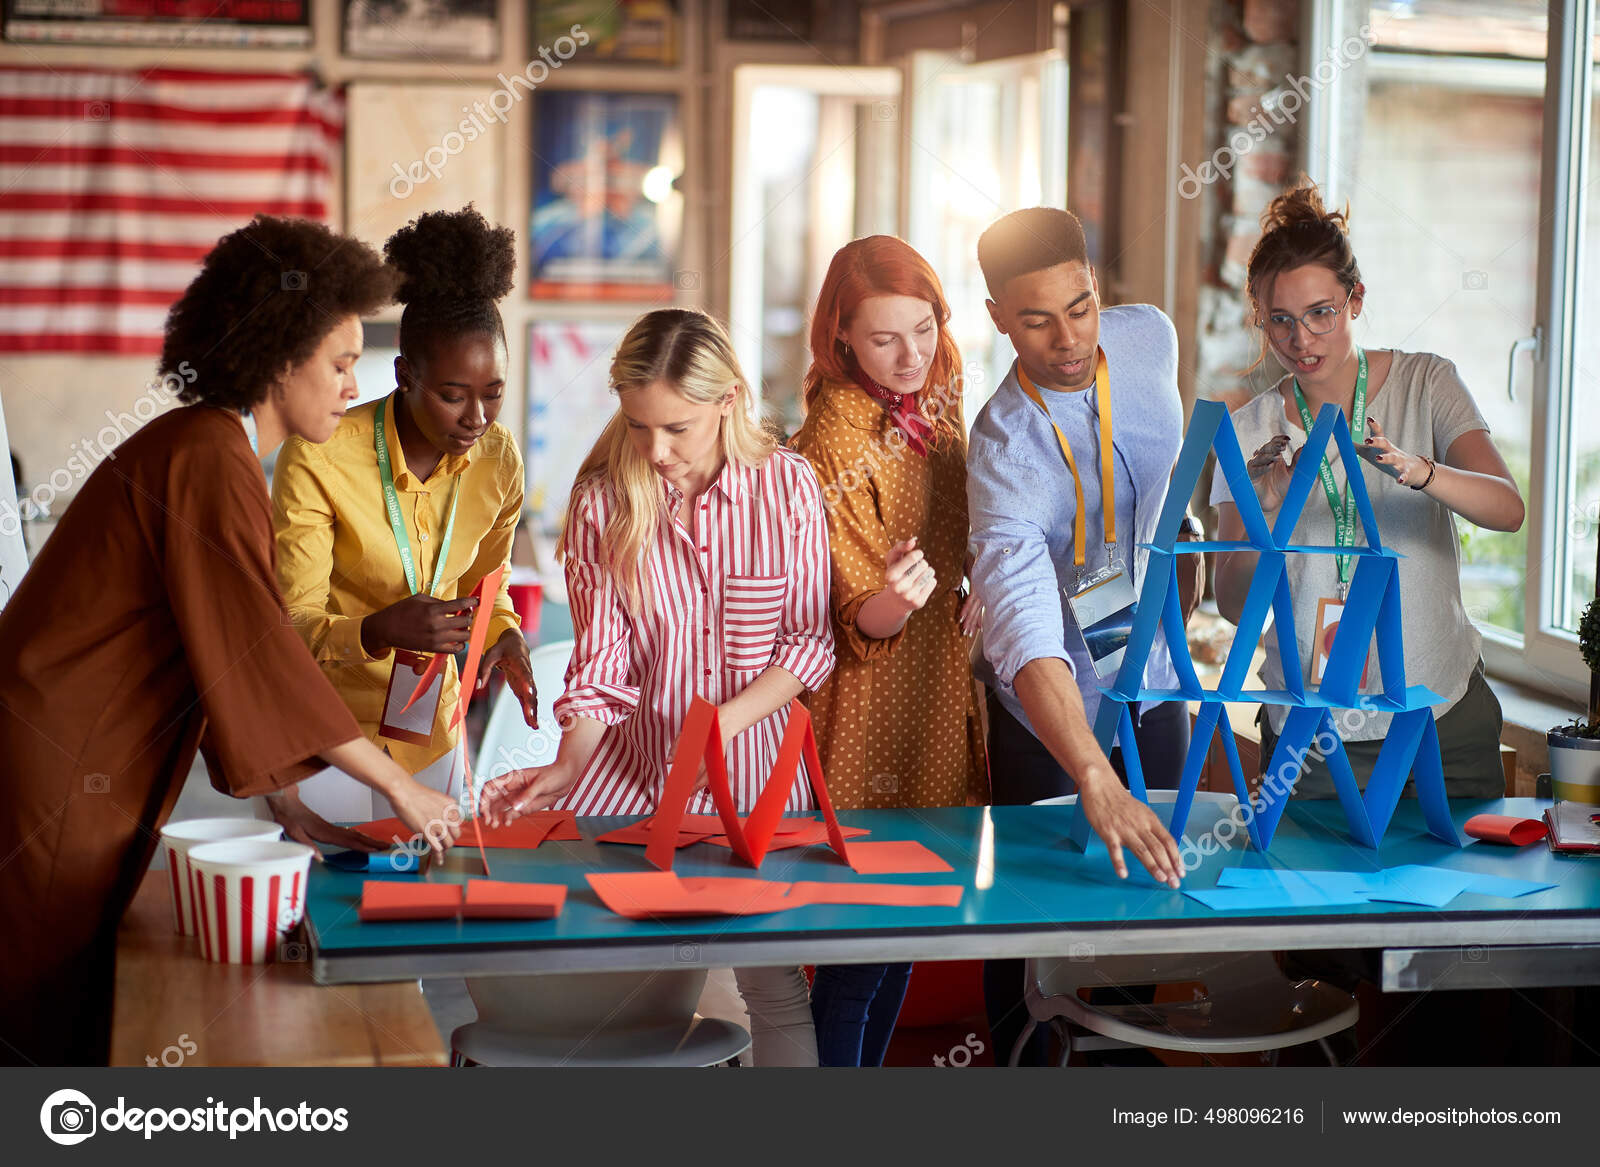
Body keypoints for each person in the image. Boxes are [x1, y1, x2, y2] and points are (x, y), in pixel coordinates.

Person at [0, 216, 461, 1066]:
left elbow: (210, 644)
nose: (351, 386)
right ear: (280, 357)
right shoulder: (210, 455)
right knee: (40, 1004)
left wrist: (286, 798)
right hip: (55, 758)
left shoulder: (210, 446)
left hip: (62, 748)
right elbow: (259, 649)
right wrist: (401, 785)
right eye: (340, 363)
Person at [479, 308, 833, 1067]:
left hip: (756, 790)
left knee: (773, 989)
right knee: (616, 996)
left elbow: (809, 644)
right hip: (636, 787)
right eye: (638, 425)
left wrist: (720, 723)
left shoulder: (790, 488)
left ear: (729, 399)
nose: (656, 449)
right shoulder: (605, 500)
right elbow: (601, 665)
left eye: (677, 426)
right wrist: (569, 762)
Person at [966, 206, 1202, 1066]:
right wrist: (1092, 775)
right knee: (1031, 927)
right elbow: (1026, 635)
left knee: (1139, 910)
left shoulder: (1150, 339)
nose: (1067, 339)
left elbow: (1171, 481)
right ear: (996, 316)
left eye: (1080, 307)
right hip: (1053, 717)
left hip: (1156, 681)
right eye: (1035, 319)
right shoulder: (1001, 453)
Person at [1211, 179, 1524, 798]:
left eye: (1321, 313)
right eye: (1281, 321)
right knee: (1322, 896)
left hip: (1440, 711)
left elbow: (1508, 509)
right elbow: (1230, 602)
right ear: (1261, 320)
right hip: (1314, 728)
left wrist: (1421, 471)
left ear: (1354, 300)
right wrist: (1270, 516)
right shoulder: (1248, 432)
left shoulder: (1426, 382)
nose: (1302, 341)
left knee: (1467, 892)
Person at [789, 235, 986, 1067]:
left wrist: (977, 585)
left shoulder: (940, 403)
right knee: (857, 946)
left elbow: (965, 539)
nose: (911, 355)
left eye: (924, 328)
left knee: (909, 925)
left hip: (940, 696)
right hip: (866, 714)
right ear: (841, 340)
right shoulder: (827, 441)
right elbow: (855, 619)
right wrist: (902, 600)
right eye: (883, 339)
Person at [272, 206, 535, 823]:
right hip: (325, 735)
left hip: (430, 732)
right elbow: (289, 625)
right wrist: (378, 630)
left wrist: (508, 636)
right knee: (329, 905)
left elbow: (485, 591)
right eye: (452, 395)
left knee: (431, 899)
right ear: (404, 375)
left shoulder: (499, 460)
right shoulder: (319, 453)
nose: (477, 418)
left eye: (493, 392)